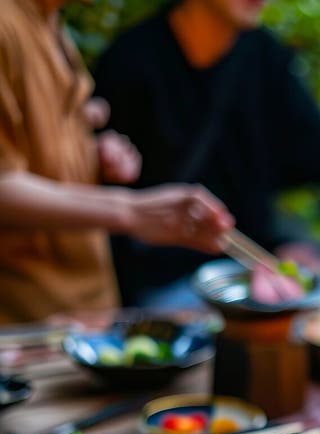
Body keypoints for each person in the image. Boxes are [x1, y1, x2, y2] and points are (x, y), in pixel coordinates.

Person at [0, 0, 233, 325]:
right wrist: (130, 210)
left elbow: (31, 149)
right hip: (25, 324)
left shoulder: (50, 20)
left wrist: (88, 152)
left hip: (83, 313)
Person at [95, 0, 320, 307]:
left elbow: (315, 161)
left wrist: (290, 242)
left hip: (251, 269)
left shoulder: (264, 55)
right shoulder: (130, 60)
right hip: (159, 286)